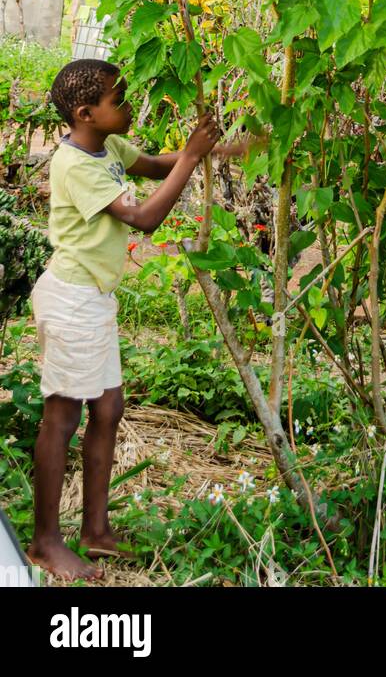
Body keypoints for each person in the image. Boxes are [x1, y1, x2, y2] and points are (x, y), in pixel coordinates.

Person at [26, 57, 249, 581]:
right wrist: (192, 159)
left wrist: (223, 149)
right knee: (62, 419)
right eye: (118, 100)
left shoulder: (105, 149)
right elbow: (146, 219)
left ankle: (95, 531)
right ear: (86, 112)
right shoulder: (75, 166)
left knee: (108, 410)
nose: (128, 107)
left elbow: (152, 163)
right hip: (71, 301)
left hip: (95, 301)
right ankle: (44, 543)